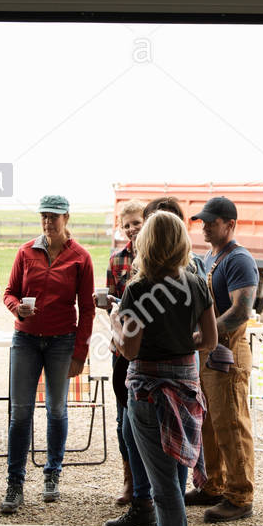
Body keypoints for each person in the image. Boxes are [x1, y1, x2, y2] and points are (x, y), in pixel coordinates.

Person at [111, 211, 217, 526]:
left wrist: (115, 324)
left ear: (147, 244)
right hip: (186, 391)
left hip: (149, 393)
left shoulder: (138, 290)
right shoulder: (196, 284)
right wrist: (181, 343)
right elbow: (209, 340)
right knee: (173, 479)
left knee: (163, 488)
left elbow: (130, 349)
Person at [0, 194, 95, 513]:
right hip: (25, 340)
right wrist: (17, 309)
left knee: (56, 409)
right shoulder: (26, 251)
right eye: (44, 215)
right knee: (20, 412)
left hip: (61, 342)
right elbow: (9, 293)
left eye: (54, 216)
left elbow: (87, 308)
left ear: (66, 218)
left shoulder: (80, 257)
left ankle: (52, 473)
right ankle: (15, 482)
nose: (48, 221)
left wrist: (80, 353)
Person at [188, 195, 259, 522]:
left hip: (228, 353)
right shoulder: (209, 257)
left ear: (230, 224)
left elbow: (241, 311)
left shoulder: (239, 260)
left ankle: (240, 496)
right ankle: (214, 485)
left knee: (231, 424)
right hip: (209, 353)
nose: (204, 227)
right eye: (202, 221)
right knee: (210, 424)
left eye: (211, 222)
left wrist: (205, 333)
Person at [100, 199, 146, 508]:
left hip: (148, 348)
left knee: (146, 417)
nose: (131, 229)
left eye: (136, 223)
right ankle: (129, 479)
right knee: (122, 418)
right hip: (122, 345)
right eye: (126, 225)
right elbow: (113, 305)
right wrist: (107, 305)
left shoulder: (154, 256)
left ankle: (149, 483)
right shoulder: (116, 260)